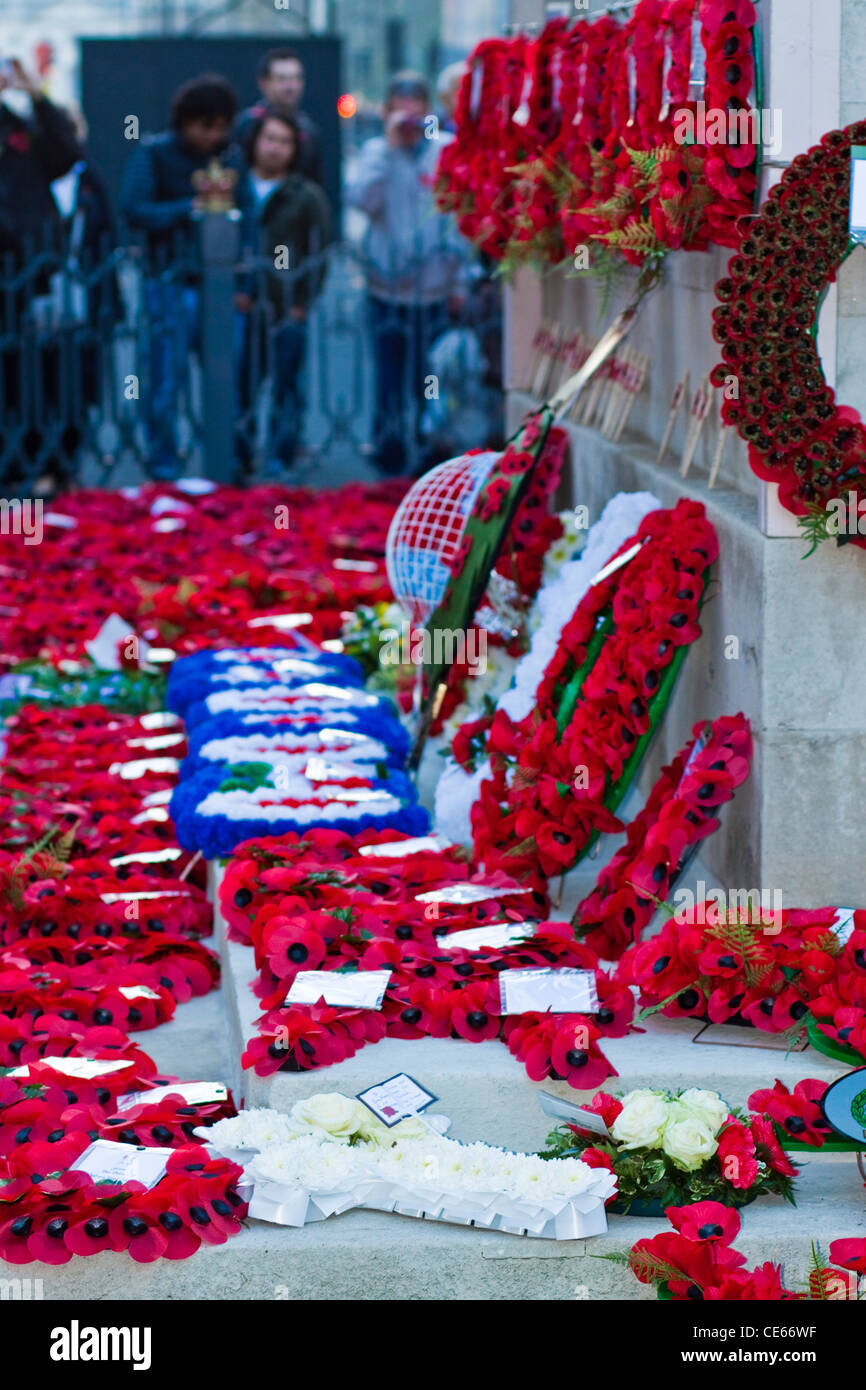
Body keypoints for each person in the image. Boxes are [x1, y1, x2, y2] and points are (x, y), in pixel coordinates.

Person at [121, 74, 246, 479]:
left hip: (220, 286)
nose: (215, 135)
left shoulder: (230, 157)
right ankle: (165, 465)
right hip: (169, 282)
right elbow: (135, 208)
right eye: (206, 126)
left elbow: (250, 220)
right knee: (163, 380)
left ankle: (225, 463)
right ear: (186, 122)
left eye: (221, 126)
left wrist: (244, 283)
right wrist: (188, 209)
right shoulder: (154, 154)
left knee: (226, 381)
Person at [346, 71, 469, 476]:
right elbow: (363, 200)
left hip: (434, 289)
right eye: (401, 115)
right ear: (386, 113)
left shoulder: (445, 152)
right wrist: (388, 147)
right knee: (388, 373)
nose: (410, 125)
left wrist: (458, 281)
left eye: (417, 116)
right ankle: (388, 445)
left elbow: (459, 218)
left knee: (430, 373)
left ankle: (432, 444)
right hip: (386, 288)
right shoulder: (374, 153)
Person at [237, 109, 332, 475]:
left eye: (285, 142)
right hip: (242, 306)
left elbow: (319, 253)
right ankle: (239, 455)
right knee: (242, 383)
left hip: (286, 306)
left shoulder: (305, 195)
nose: (276, 148)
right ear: (255, 142)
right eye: (270, 139)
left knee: (287, 385)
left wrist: (303, 303)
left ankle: (282, 454)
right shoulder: (234, 187)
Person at [235, 49, 323, 184]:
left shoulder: (309, 130)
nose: (290, 86)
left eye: (296, 78)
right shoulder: (245, 124)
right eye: (282, 79)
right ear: (263, 82)